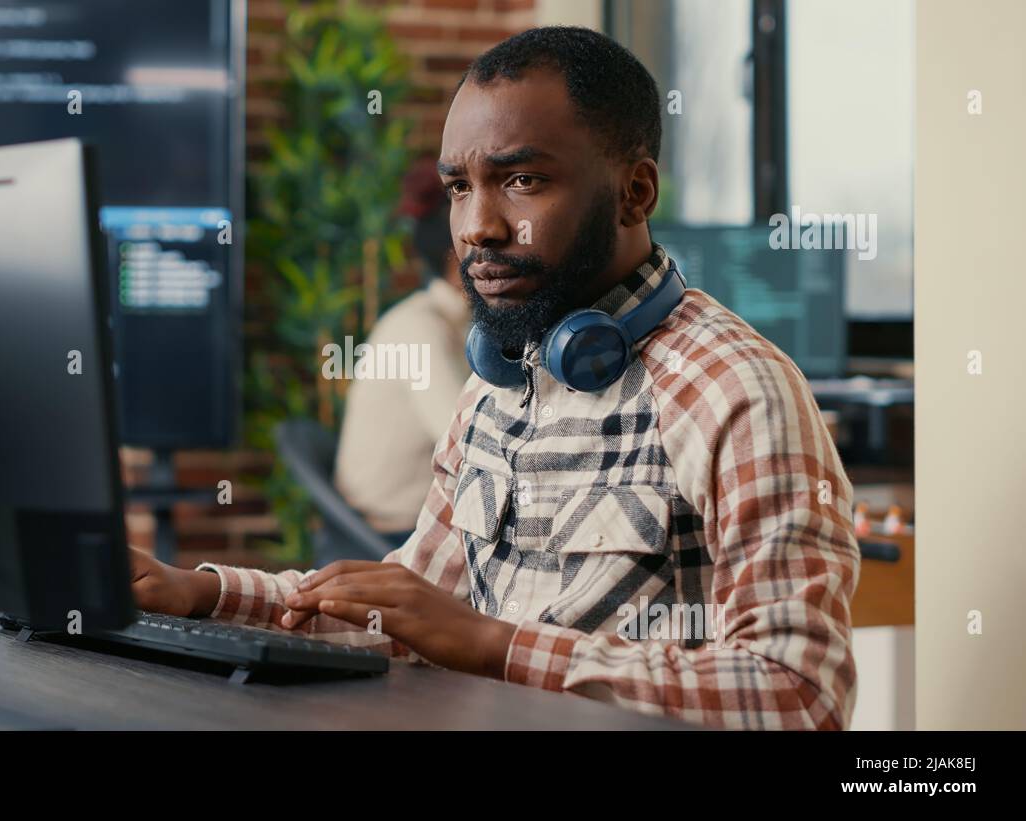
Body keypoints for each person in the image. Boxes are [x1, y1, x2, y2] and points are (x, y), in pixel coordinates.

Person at [130, 26, 859, 730]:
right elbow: (405, 609)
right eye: (458, 187)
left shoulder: (739, 390)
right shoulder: (501, 378)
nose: (477, 226)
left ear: (635, 192)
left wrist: (493, 645)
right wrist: (200, 592)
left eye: (521, 180)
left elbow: (799, 697)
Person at [333, 158, 472, 548]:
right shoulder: (419, 329)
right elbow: (464, 444)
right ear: (456, 260)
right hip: (384, 537)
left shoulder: (451, 323)